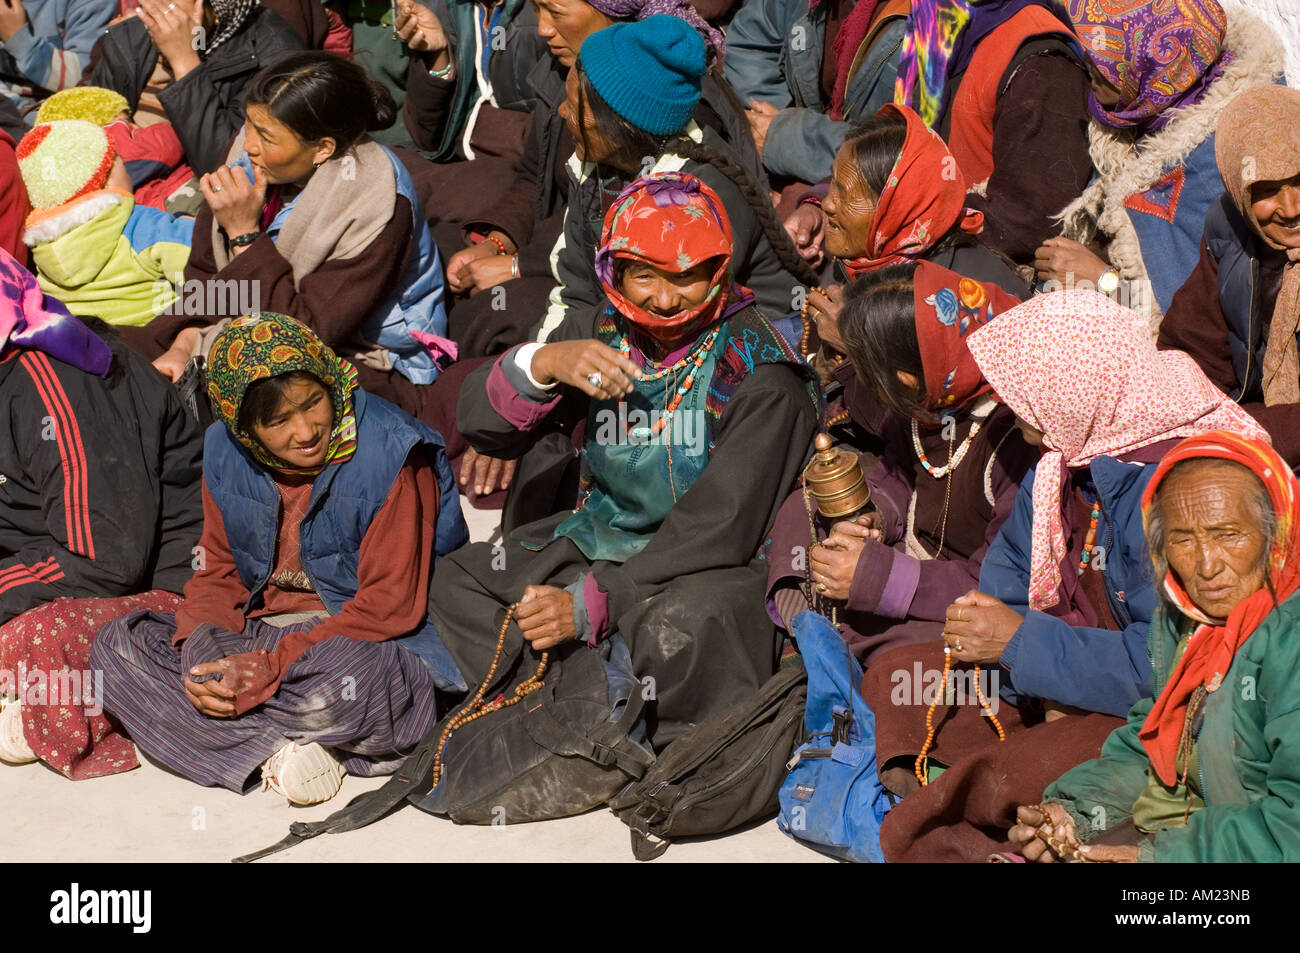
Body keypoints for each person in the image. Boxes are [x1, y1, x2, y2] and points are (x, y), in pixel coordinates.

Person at [860, 288, 1267, 862]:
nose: (1008, 399)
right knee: (898, 676)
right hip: (1055, 675)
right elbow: (1003, 586)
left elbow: (1172, 664)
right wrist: (1016, 653)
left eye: (1025, 383)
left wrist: (1025, 646)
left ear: (1074, 387)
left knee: (1018, 771)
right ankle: (956, 794)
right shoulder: (1058, 463)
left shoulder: (1181, 490)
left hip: (1155, 710)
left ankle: (968, 816)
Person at [432, 172, 819, 748]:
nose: (665, 299)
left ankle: (572, 694)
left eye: (688, 276)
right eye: (645, 275)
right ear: (614, 272)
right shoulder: (602, 330)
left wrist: (596, 602)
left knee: (681, 629)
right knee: (460, 584)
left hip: (704, 568)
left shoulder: (764, 376)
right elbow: (479, 423)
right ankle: (583, 696)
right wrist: (542, 364)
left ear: (718, 270)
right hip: (600, 539)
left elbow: (721, 526)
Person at [92, 314, 469, 805]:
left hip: (366, 641)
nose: (307, 429)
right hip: (266, 632)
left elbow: (388, 609)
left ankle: (225, 736)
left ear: (330, 381)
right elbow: (218, 572)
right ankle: (280, 751)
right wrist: (205, 657)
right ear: (244, 426)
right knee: (118, 645)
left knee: (354, 684)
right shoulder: (224, 450)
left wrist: (268, 668)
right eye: (278, 421)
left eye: (314, 403)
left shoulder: (393, 453)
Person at [1013, 432, 1300, 862]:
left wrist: (1158, 857)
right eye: (1183, 540)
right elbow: (1152, 747)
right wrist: (1076, 812)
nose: (1206, 565)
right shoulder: (1184, 624)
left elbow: (1291, 829)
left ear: (1276, 533)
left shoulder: (1289, 640)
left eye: (1228, 535)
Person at [131, 52, 452, 412]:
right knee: (128, 360)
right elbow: (207, 275)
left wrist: (244, 234)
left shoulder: (376, 203)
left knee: (259, 400)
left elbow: (308, 331)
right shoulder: (250, 152)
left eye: (266, 136)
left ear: (322, 149)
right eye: (249, 123)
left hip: (359, 351)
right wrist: (186, 340)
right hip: (259, 314)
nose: (248, 143)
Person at [766, 261, 1036, 666]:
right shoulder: (928, 400)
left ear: (906, 379)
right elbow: (898, 475)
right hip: (905, 555)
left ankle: (835, 645)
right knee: (805, 507)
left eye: (865, 370)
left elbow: (996, 582)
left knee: (908, 652)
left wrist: (877, 577)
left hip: (963, 590)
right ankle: (808, 632)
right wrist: (876, 516)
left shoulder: (1017, 441)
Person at [0, 247, 203, 778]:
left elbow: (106, 558)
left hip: (160, 591)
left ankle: (42, 710)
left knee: (40, 636)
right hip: (57, 565)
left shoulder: (51, 383)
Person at [438, 0, 736, 359]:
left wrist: (521, 268)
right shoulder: (562, 76)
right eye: (537, 9)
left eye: (557, 12)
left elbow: (648, 292)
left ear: (615, 15)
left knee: (499, 315)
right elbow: (539, 180)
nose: (544, 28)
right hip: (574, 264)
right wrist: (499, 240)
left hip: (616, 296)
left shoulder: (674, 121)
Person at [535, 16, 817, 348]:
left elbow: (669, 321)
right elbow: (574, 285)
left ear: (623, 125)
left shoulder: (699, 195)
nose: (562, 113)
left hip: (745, 346)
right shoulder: (596, 169)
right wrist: (539, 363)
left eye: (574, 105)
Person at [1040, 0, 1283, 332]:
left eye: (1108, 57)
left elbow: (1204, 332)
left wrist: (1104, 282)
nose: (1089, 65)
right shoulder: (1134, 116)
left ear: (1154, 59)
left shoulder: (1218, 166)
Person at [794, 103, 1027, 437]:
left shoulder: (963, 300)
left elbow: (939, 433)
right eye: (833, 183)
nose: (827, 204)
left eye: (846, 194)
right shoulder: (864, 256)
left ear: (897, 208)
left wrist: (853, 348)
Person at [1158, 86, 1300, 467]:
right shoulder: (1231, 231)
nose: (1290, 209)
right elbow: (1188, 361)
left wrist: (1247, 433)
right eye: (1266, 190)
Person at [890, 0, 1093, 266]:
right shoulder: (936, 27)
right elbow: (890, 145)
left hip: (980, 277)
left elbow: (1025, 219)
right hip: (931, 247)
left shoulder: (1042, 60)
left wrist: (906, 225)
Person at [88, 0, 304, 176]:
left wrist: (185, 62)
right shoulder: (132, 35)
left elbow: (228, 169)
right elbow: (89, 132)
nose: (150, 8)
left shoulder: (274, 54)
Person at [17, 119, 194, 326]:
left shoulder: (43, 252)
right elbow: (207, 273)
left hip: (100, 349)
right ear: (107, 178)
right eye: (119, 160)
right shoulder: (142, 225)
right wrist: (190, 228)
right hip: (159, 337)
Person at [723, 0, 911, 185]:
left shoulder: (931, 27)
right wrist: (776, 117)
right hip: (790, 158)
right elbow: (751, 43)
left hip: (866, 184)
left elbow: (912, 155)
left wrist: (791, 138)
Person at [0, 0, 115, 115]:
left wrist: (18, 40)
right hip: (11, 110)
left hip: (69, 114)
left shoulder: (90, 4)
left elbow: (88, 82)